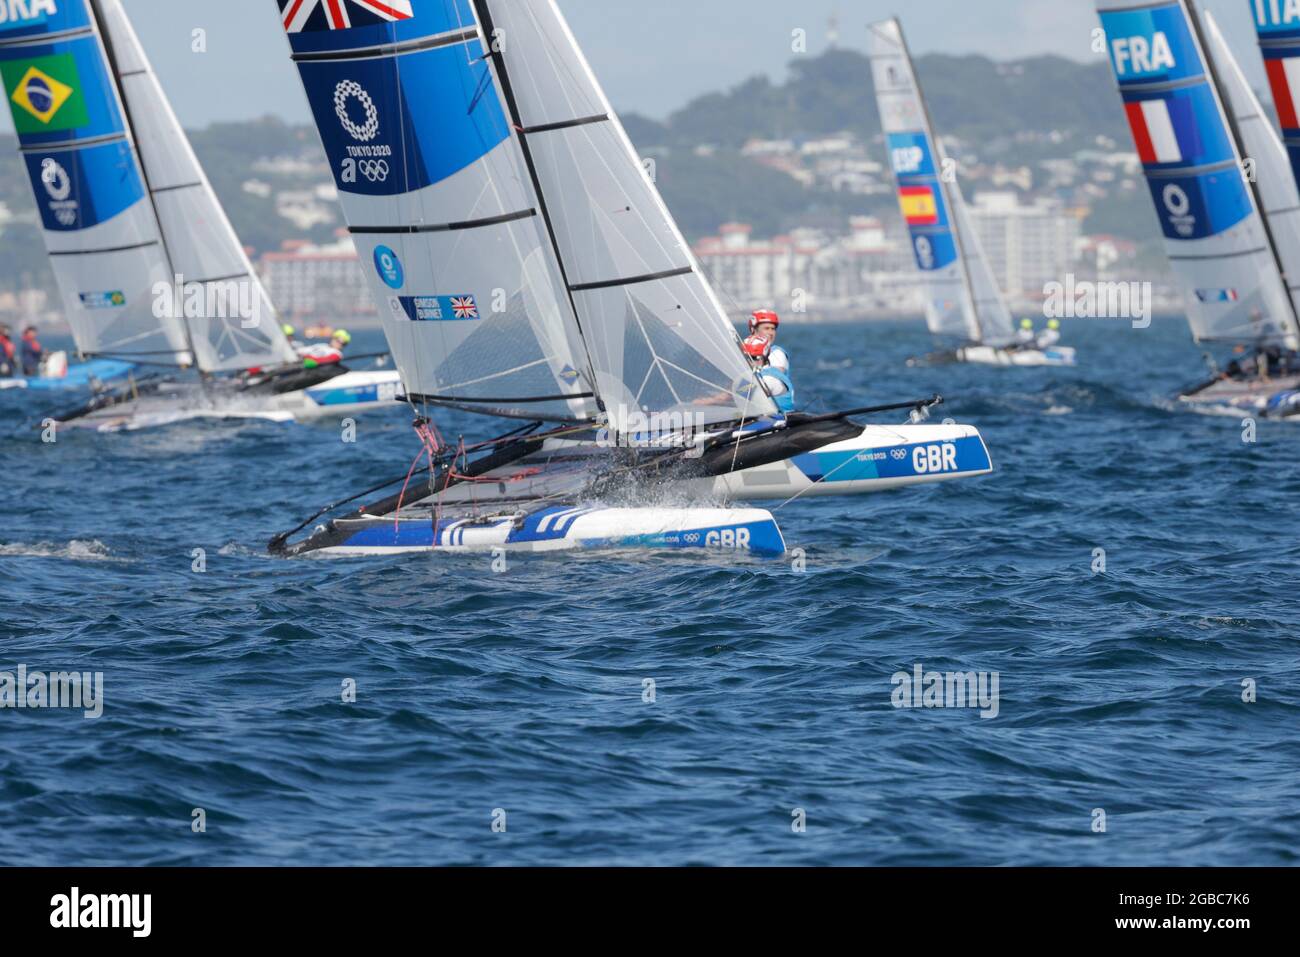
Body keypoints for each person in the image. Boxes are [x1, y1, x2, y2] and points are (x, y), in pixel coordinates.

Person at [742, 334, 795, 413]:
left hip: (780, 421)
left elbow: (742, 398)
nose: (750, 362)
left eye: (755, 358)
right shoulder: (752, 377)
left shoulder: (768, 378)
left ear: (765, 357)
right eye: (746, 357)